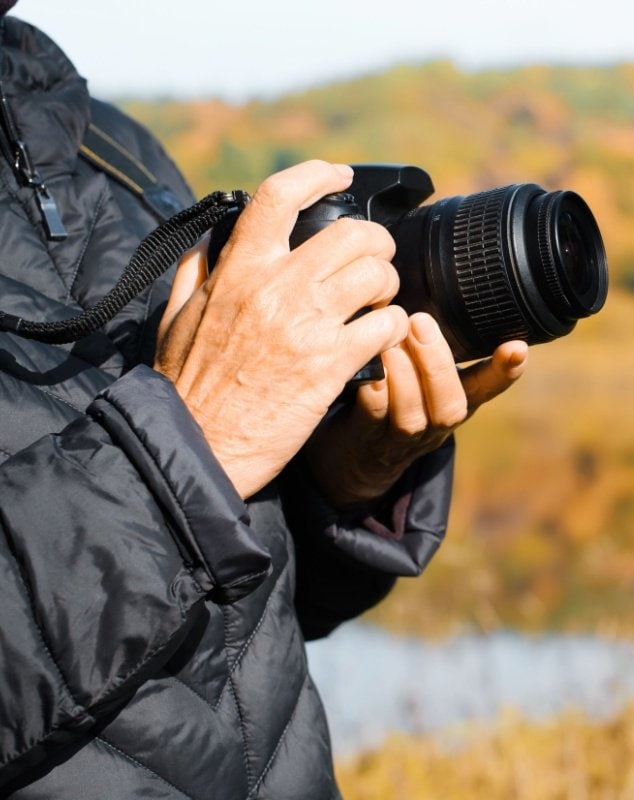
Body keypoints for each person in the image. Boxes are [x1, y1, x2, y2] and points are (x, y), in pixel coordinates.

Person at [0, 10, 526, 798]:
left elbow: (239, 618)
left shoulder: (104, 148)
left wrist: (340, 481)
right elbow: (183, 467)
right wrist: (181, 456)